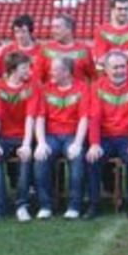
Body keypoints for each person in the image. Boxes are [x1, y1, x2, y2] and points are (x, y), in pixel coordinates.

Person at [0, 51, 42, 222]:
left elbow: (30, 116)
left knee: (25, 159)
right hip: (4, 136)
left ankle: (22, 205)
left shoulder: (33, 85)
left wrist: (26, 144)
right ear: (13, 69)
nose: (28, 71)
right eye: (24, 68)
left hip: (24, 135)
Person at [86, 50, 128, 219]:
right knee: (92, 159)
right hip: (104, 137)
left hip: (127, 137)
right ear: (106, 69)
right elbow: (94, 117)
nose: (120, 71)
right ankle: (93, 204)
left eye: (123, 66)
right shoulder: (97, 87)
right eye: (115, 67)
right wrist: (94, 143)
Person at [36, 56, 89, 219]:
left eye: (55, 69)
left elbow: (84, 118)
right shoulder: (45, 89)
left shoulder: (82, 88)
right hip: (51, 135)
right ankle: (45, 205)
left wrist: (78, 143)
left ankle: (74, 206)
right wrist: (41, 143)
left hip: (73, 135)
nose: (51, 72)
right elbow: (40, 118)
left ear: (66, 72)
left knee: (77, 157)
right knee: (41, 158)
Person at [93, 0, 128, 79]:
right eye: (120, 9)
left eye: (126, 9)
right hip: (110, 80)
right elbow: (100, 59)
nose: (123, 12)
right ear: (112, 10)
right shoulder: (101, 30)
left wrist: (111, 53)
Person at [37, 14, 95, 84]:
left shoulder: (84, 50)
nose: (53, 31)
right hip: (50, 94)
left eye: (57, 27)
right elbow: (37, 78)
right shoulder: (45, 50)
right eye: (53, 27)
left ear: (69, 30)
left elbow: (93, 77)